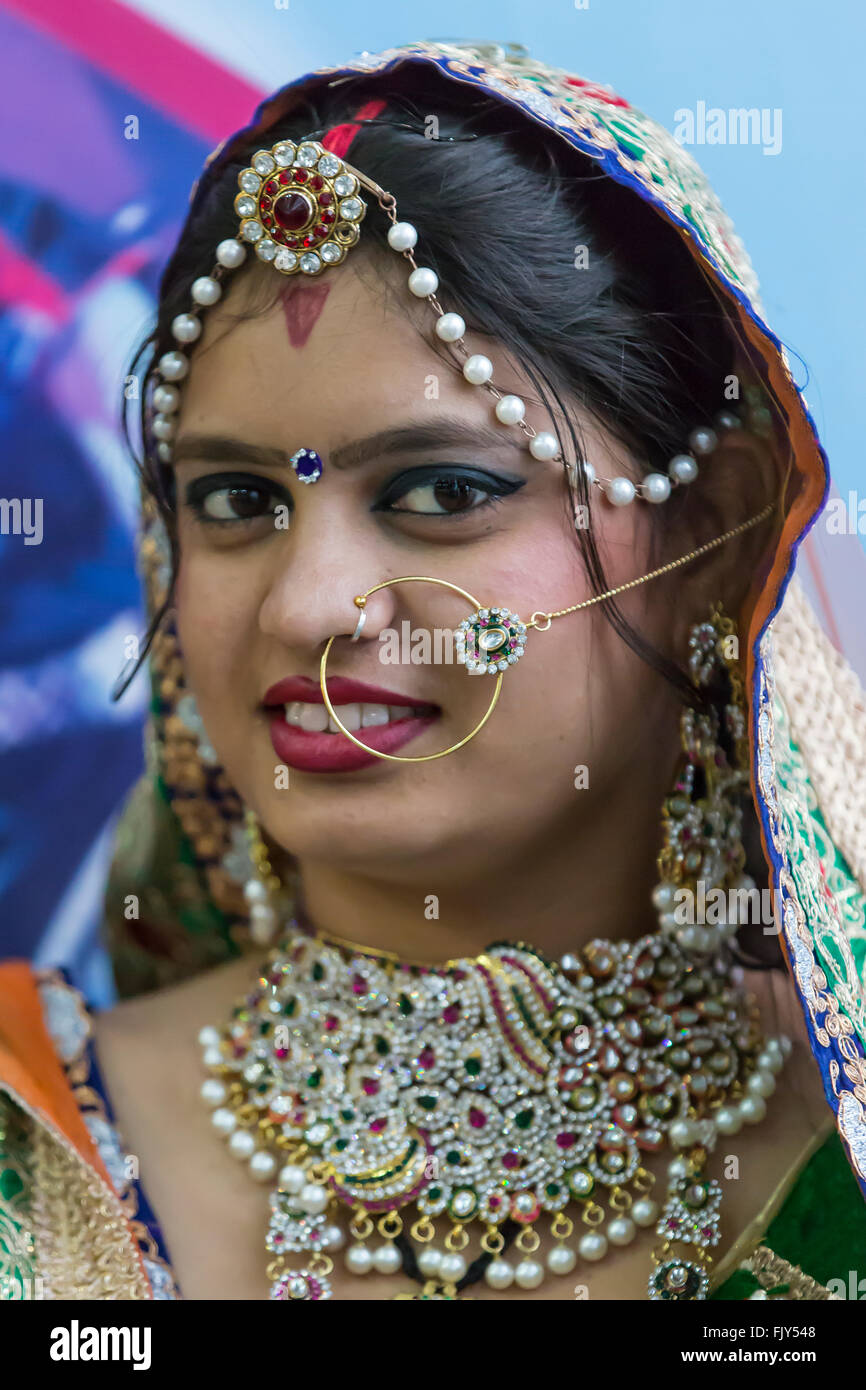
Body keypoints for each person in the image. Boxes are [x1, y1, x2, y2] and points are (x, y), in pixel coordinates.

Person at [1, 39, 864, 1303]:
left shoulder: (833, 1178)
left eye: (443, 490)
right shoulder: (31, 1149)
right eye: (236, 498)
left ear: (710, 534)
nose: (305, 609)